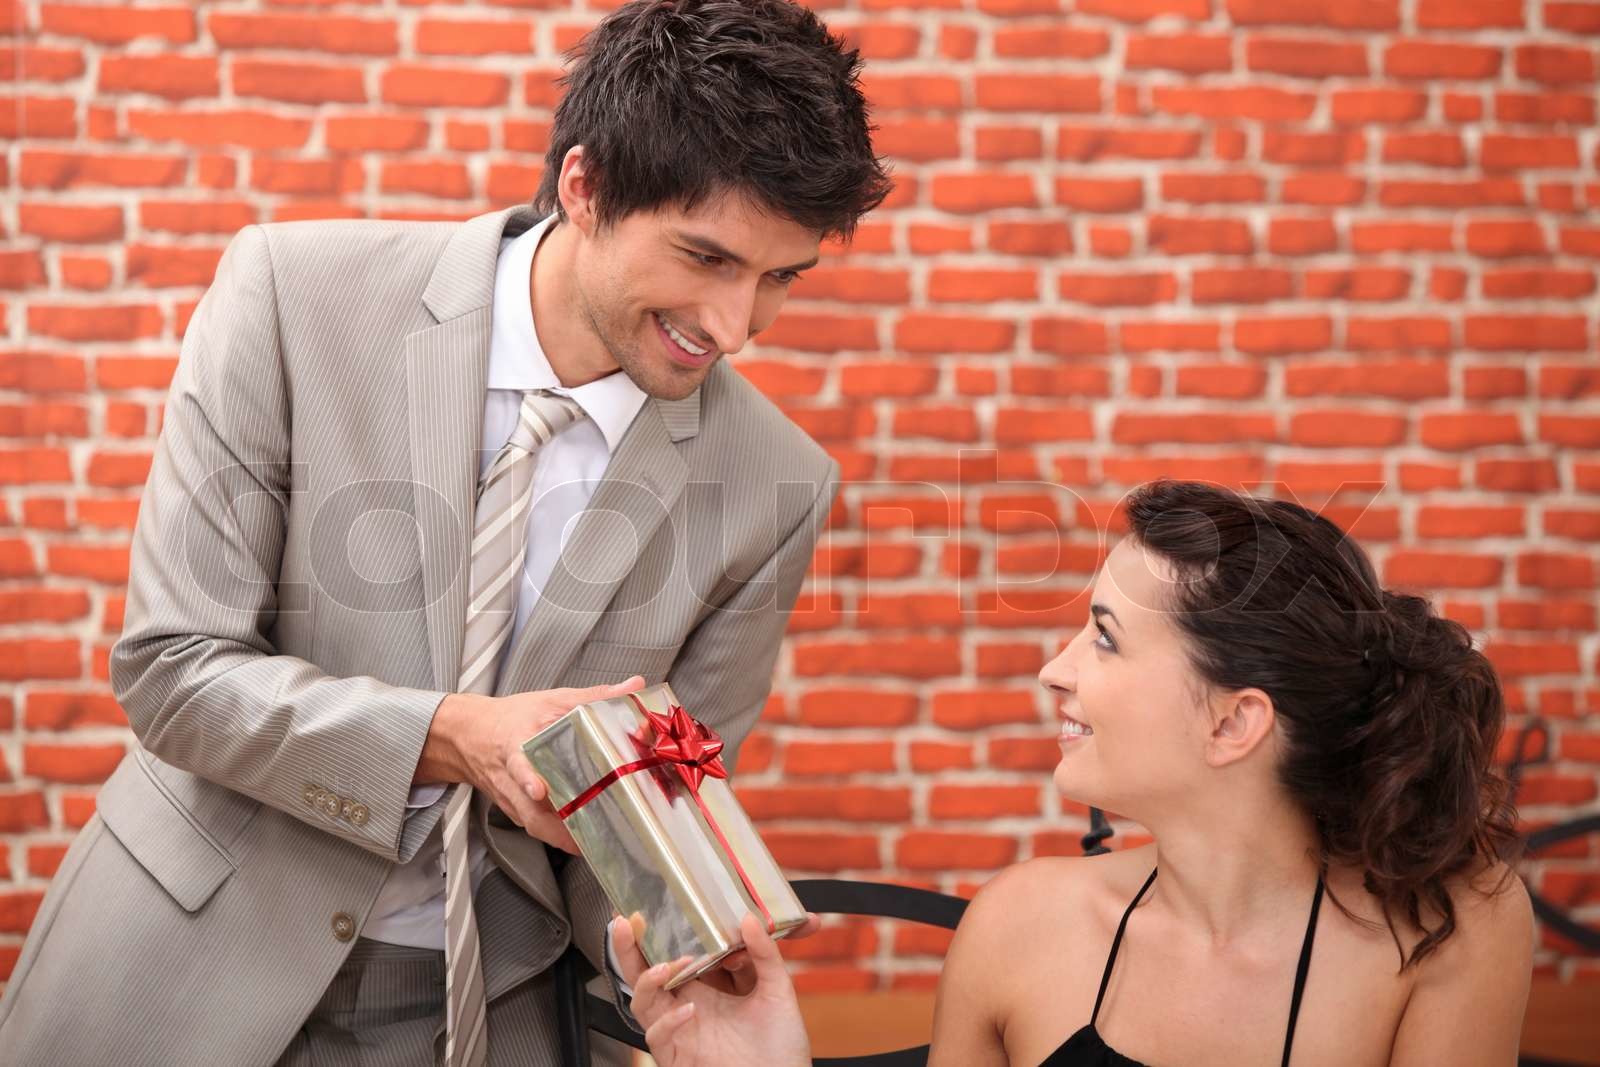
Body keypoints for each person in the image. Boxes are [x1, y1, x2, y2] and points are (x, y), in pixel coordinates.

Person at [0, 2, 888, 1064]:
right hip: (180, 966)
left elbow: (650, 830)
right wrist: (458, 734)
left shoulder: (777, 483)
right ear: (585, 184)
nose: (736, 326)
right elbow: (172, 671)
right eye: (705, 257)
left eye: (778, 278)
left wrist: (695, 961)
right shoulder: (293, 296)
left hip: (488, 1010)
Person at [615, 479, 1535, 1066]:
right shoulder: (1019, 927)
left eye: (1102, 637)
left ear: (1234, 721)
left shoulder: (1452, 924)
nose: (1054, 670)